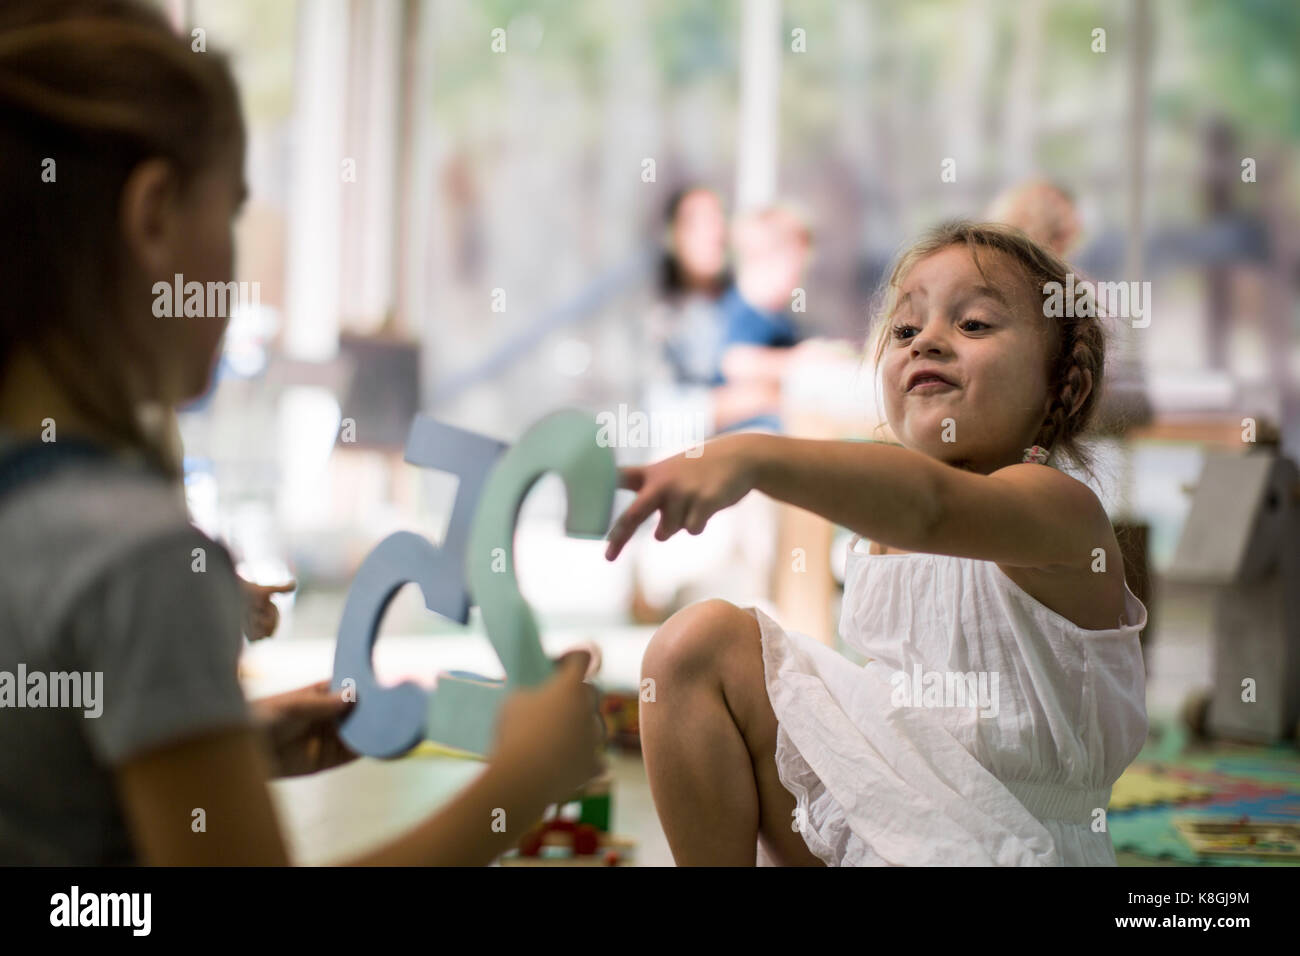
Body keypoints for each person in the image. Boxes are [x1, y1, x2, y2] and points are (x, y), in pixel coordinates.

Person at [0, 0, 602, 865]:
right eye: (233, 210)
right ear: (154, 215)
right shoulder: (142, 561)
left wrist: (226, 751)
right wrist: (519, 784)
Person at [605, 221, 1148, 866]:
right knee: (694, 648)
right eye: (904, 329)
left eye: (973, 324)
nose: (927, 342)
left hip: (1012, 847)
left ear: (1064, 383)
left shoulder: (1057, 508)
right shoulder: (885, 528)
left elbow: (930, 508)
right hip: (902, 818)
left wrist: (749, 455)